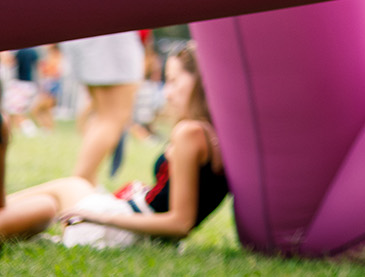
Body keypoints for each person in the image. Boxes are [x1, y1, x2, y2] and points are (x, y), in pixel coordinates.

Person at [0, 43, 228, 246]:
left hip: (123, 232)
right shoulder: (217, 135)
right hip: (132, 226)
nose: (167, 93)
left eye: (174, 81)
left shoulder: (191, 132)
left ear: (200, 81)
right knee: (68, 187)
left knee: (52, 200)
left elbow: (180, 224)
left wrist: (98, 216)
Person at [59, 31, 144, 183]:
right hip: (109, 34)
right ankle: (79, 184)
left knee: (102, 115)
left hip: (85, 30)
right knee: (113, 117)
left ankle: (88, 184)